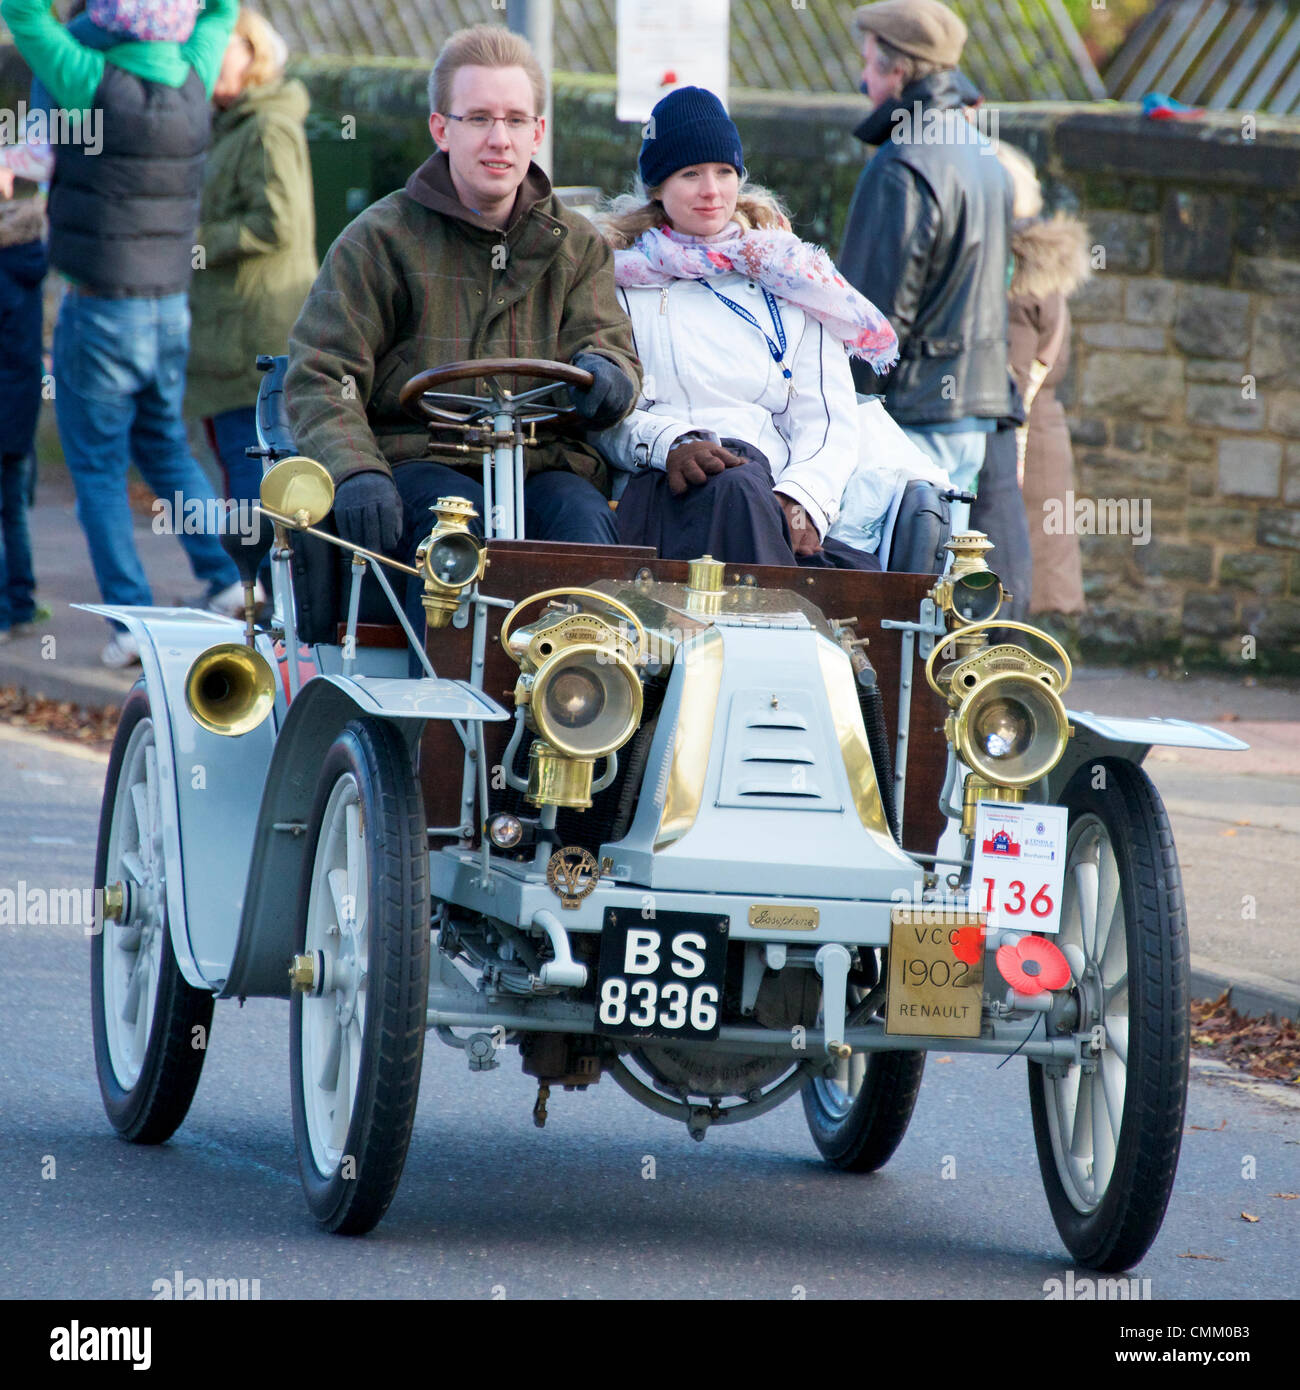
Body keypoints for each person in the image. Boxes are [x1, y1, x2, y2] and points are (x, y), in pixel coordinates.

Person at [286, 22, 640, 606]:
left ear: (538, 132)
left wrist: (608, 374)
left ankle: (581, 688)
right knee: (452, 539)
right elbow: (320, 373)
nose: (499, 138)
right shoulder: (378, 239)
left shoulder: (578, 245)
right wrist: (356, 470)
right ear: (441, 129)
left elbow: (609, 347)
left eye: (515, 120)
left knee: (585, 538)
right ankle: (448, 692)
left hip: (544, 466)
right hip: (417, 461)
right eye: (478, 118)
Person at [1, 0, 244, 668]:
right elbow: (224, 7)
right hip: (169, 305)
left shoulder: (86, 76)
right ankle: (228, 578)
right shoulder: (197, 69)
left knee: (99, 471)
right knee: (165, 446)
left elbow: (21, 12)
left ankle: (131, 621)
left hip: (99, 305)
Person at [592, 86, 898, 568]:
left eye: (724, 172)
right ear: (657, 187)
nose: (711, 190)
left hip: (768, 484)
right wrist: (670, 443)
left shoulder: (788, 275)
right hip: (665, 481)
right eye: (690, 174)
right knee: (734, 492)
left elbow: (826, 415)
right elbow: (608, 411)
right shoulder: (617, 281)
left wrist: (803, 499)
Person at [839, 0, 1011, 535]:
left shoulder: (902, 165)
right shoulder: (982, 153)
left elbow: (872, 323)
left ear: (897, 70)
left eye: (869, 64)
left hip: (910, 415)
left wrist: (844, 413)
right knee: (944, 585)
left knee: (894, 588)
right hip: (970, 409)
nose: (862, 79)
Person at [188, 7, 317, 507]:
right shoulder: (233, 123)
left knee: (254, 468)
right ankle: (249, 583)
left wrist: (194, 243)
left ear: (253, 53)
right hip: (228, 329)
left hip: (251, 335)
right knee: (238, 464)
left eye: (223, 42)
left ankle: (259, 584)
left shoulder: (267, 126)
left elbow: (276, 222)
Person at [998, 142, 1090, 623]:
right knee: (1036, 588)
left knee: (1017, 590)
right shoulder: (1042, 262)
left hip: (1022, 439)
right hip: (1041, 431)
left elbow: (1011, 371)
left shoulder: (1015, 268)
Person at [0, 185, 48, 644]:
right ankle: (21, 602)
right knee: (12, 508)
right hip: (20, 403)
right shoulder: (29, 263)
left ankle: (4, 611)